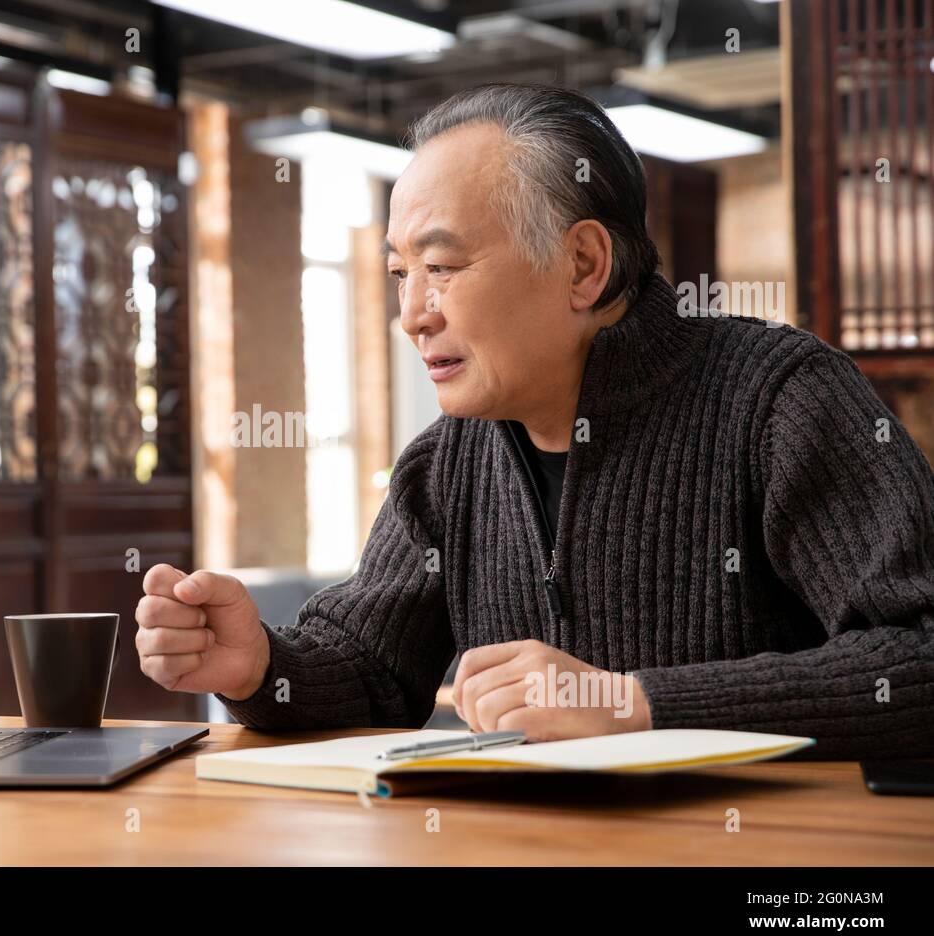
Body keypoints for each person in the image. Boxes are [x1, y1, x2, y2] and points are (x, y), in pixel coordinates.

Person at [135, 83, 934, 759]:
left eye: (442, 268)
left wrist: (637, 706)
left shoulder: (781, 400)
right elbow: (373, 673)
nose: (412, 314)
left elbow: (917, 658)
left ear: (583, 265)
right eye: (399, 273)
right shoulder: (447, 463)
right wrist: (258, 664)